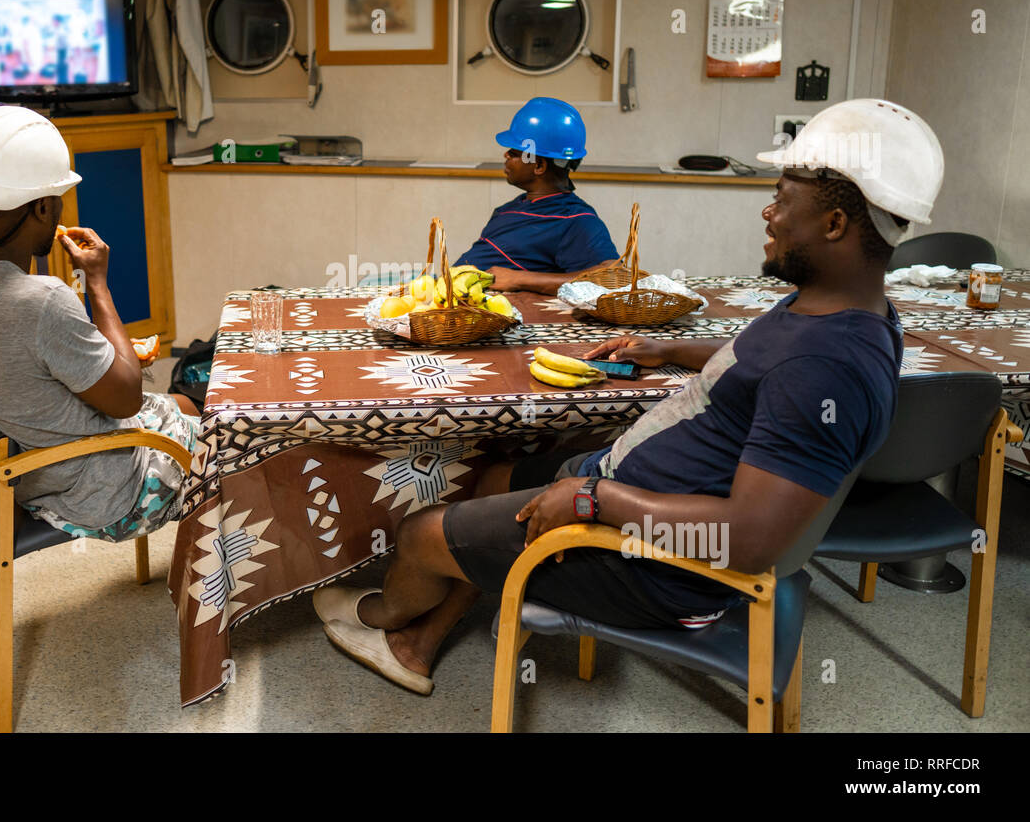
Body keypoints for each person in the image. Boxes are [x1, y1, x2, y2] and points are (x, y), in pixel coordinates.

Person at [313, 98, 945, 694]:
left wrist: (597, 497)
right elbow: (755, 363)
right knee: (494, 478)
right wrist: (669, 350)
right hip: (629, 494)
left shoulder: (825, 368)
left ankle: (385, 616)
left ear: (835, 223)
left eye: (781, 199)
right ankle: (420, 642)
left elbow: (749, 540)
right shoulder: (837, 313)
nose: (767, 213)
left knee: (422, 533)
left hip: (660, 565)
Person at [0, 105, 200, 542]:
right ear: (45, 208)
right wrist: (97, 284)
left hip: (29, 478)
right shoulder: (44, 302)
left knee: (184, 406)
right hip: (106, 494)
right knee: (236, 441)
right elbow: (125, 398)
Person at [456, 97, 619, 294]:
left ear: (539, 165)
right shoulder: (508, 210)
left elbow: (612, 277)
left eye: (515, 152)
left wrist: (520, 279)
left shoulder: (576, 220)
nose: (505, 155)